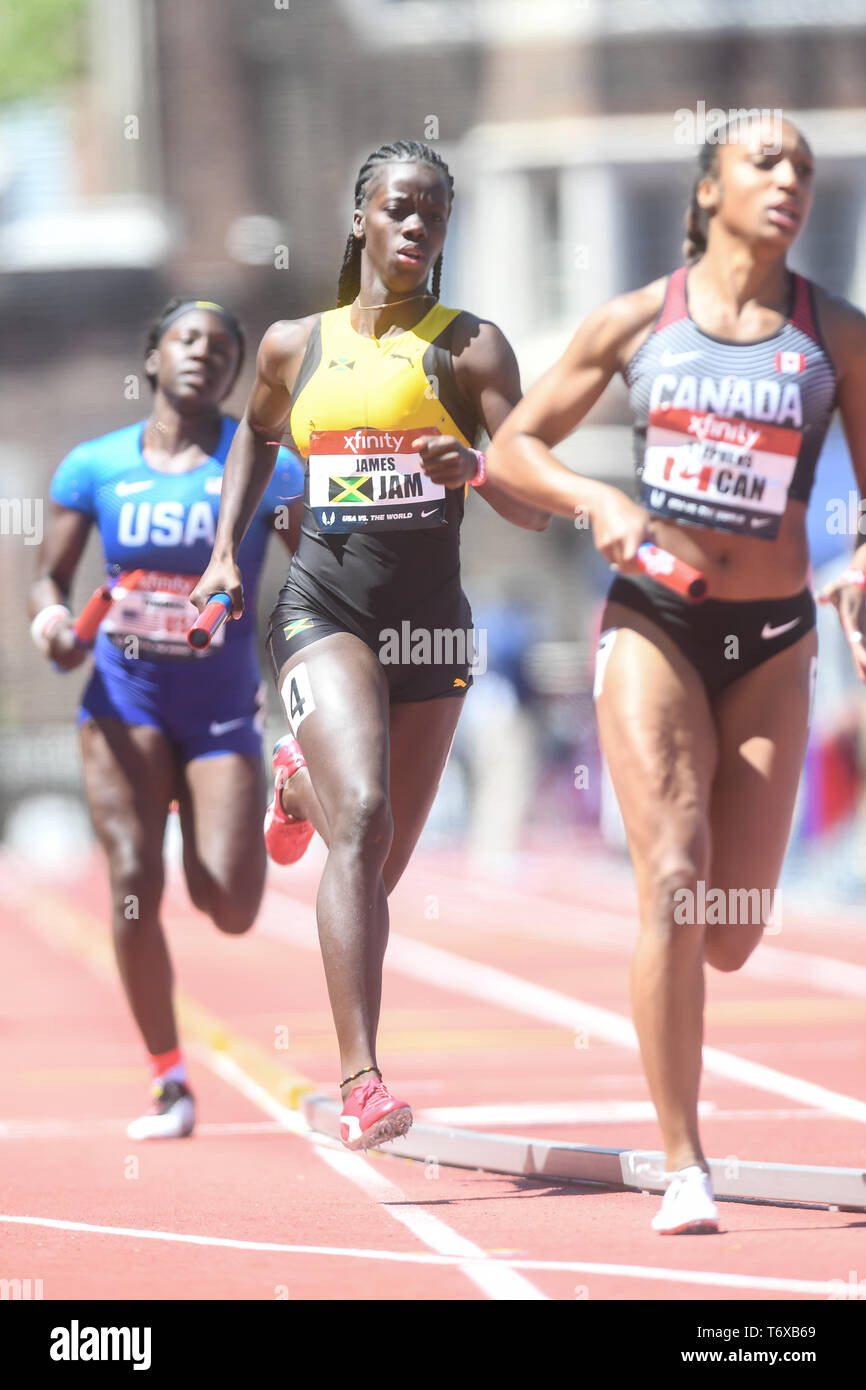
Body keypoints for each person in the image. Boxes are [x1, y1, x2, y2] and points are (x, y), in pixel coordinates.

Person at [486, 115, 866, 1232]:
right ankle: (683, 1160)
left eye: (802, 165)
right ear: (706, 191)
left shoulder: (832, 334)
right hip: (653, 620)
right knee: (671, 871)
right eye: (763, 162)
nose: (788, 179)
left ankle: (685, 1005)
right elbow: (514, 449)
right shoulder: (634, 322)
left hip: (772, 638)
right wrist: (597, 498)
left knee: (734, 923)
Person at [192, 140, 549, 1151]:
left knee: (374, 859)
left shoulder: (471, 348)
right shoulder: (292, 346)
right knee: (367, 819)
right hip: (322, 611)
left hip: (432, 625)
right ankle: (361, 1083)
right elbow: (256, 438)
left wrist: (474, 464)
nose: (415, 229)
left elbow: (531, 506)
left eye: (433, 215)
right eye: (397, 210)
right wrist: (227, 549)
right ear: (358, 219)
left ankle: (298, 777)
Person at [30, 299, 303, 1139]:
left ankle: (278, 799)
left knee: (228, 905)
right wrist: (51, 623)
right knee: (133, 886)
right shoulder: (94, 465)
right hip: (125, 703)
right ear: (153, 358)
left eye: (224, 351)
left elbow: (314, 573)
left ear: (234, 373)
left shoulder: (265, 465)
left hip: (220, 709)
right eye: (187, 341)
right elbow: (52, 579)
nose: (205, 357)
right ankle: (169, 1081)